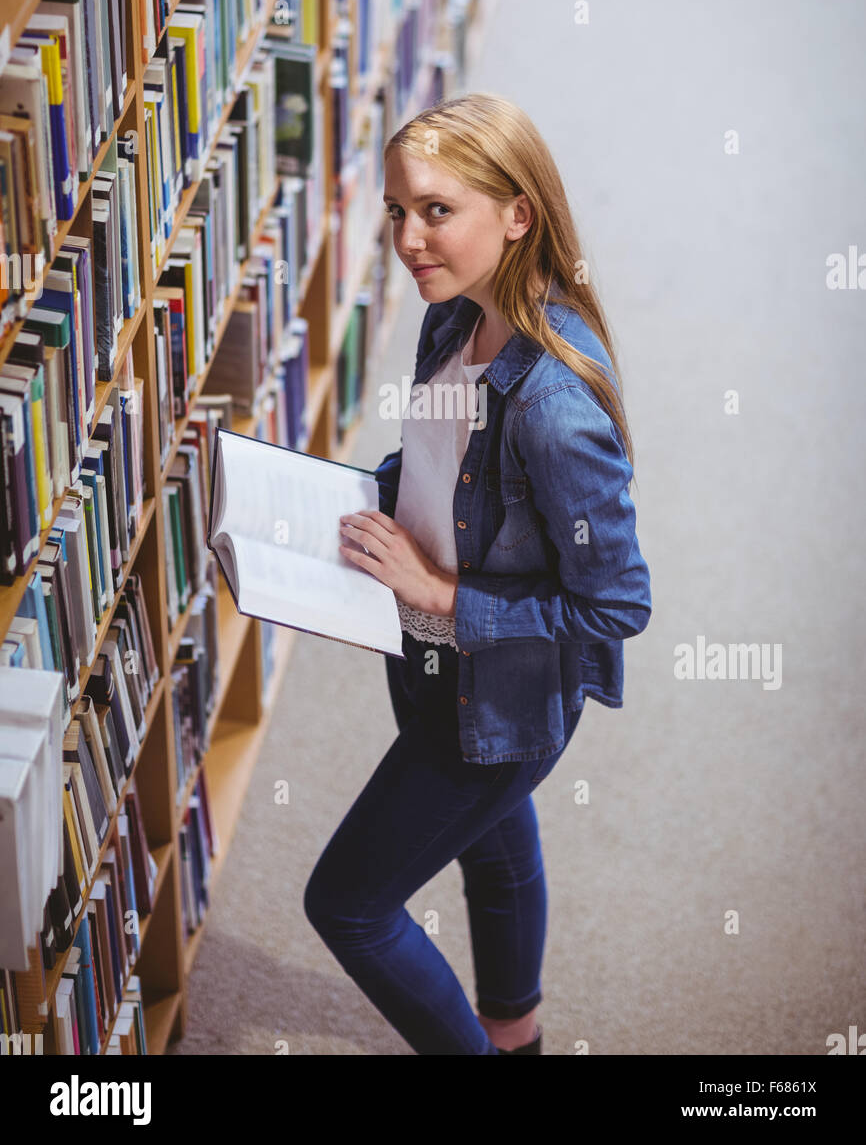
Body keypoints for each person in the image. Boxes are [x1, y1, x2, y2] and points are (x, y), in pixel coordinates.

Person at [303, 92, 652, 1054]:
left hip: (493, 698)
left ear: (517, 214)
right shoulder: (453, 315)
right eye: (397, 212)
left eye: (436, 210)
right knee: (494, 852)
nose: (410, 239)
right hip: (423, 663)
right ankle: (517, 1033)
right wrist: (342, 497)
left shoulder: (555, 409)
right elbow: (444, 464)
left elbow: (617, 607)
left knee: (348, 903)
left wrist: (439, 596)